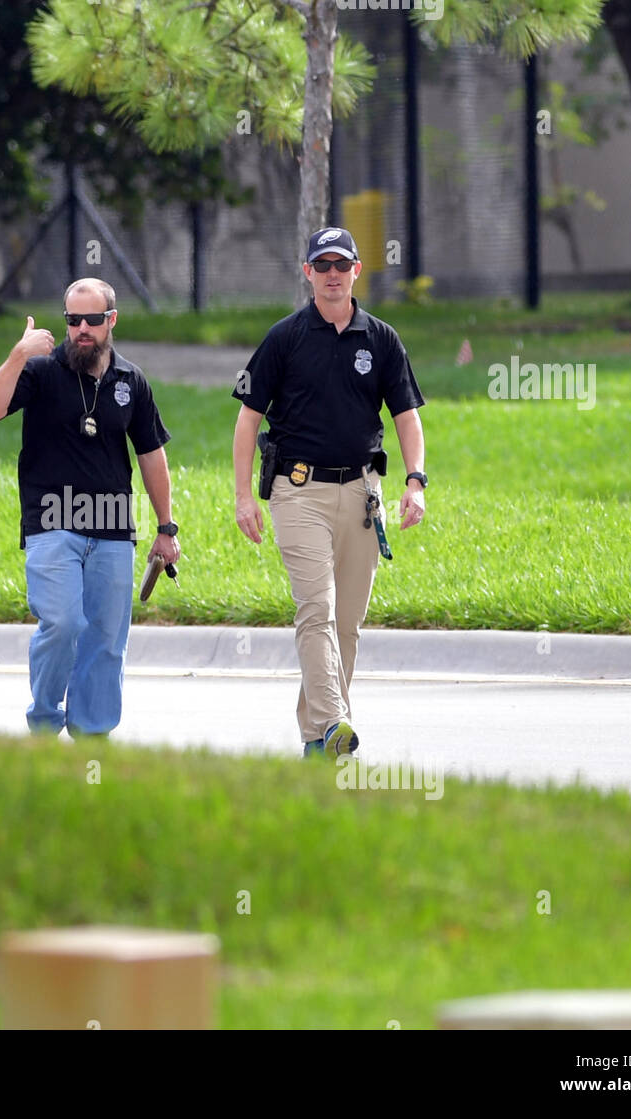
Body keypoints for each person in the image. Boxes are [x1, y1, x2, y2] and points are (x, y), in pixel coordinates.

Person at [232, 227, 428, 758]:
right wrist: (244, 497)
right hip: (298, 492)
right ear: (309, 273)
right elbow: (247, 420)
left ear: (357, 271)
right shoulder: (285, 337)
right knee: (315, 610)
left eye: (342, 264)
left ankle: (319, 739)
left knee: (347, 624)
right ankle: (337, 720)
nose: (333, 274)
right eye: (323, 266)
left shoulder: (381, 339)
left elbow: (407, 416)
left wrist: (415, 481)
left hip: (363, 492)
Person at [0, 278, 180, 737]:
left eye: (91, 320)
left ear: (112, 320)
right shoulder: (42, 371)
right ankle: (45, 720)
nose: (82, 329)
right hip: (52, 523)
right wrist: (17, 355)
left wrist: (166, 528)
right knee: (64, 623)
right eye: (73, 320)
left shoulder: (131, 381)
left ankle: (93, 733)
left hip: (112, 528)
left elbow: (151, 456)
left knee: (107, 640)